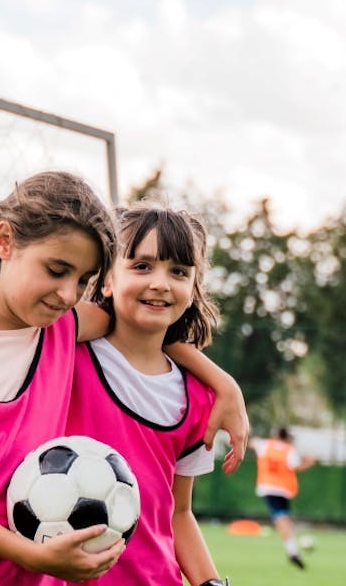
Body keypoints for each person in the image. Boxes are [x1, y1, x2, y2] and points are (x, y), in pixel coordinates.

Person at [0, 171, 247, 585]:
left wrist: (224, 384)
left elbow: (143, 320)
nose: (67, 293)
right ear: (4, 242)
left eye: (82, 280)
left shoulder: (63, 329)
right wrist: (33, 555)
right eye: (56, 269)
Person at [67, 204, 229, 586]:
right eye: (141, 266)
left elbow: (179, 513)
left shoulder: (199, 398)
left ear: (193, 288)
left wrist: (210, 583)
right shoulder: (65, 357)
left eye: (179, 271)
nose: (161, 283)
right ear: (107, 280)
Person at [251, 426, 315, 569]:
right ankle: (292, 551)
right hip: (283, 489)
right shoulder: (289, 450)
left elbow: (252, 442)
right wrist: (309, 462)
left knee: (282, 518)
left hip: (267, 487)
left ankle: (292, 550)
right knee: (282, 518)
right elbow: (298, 466)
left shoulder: (265, 444)